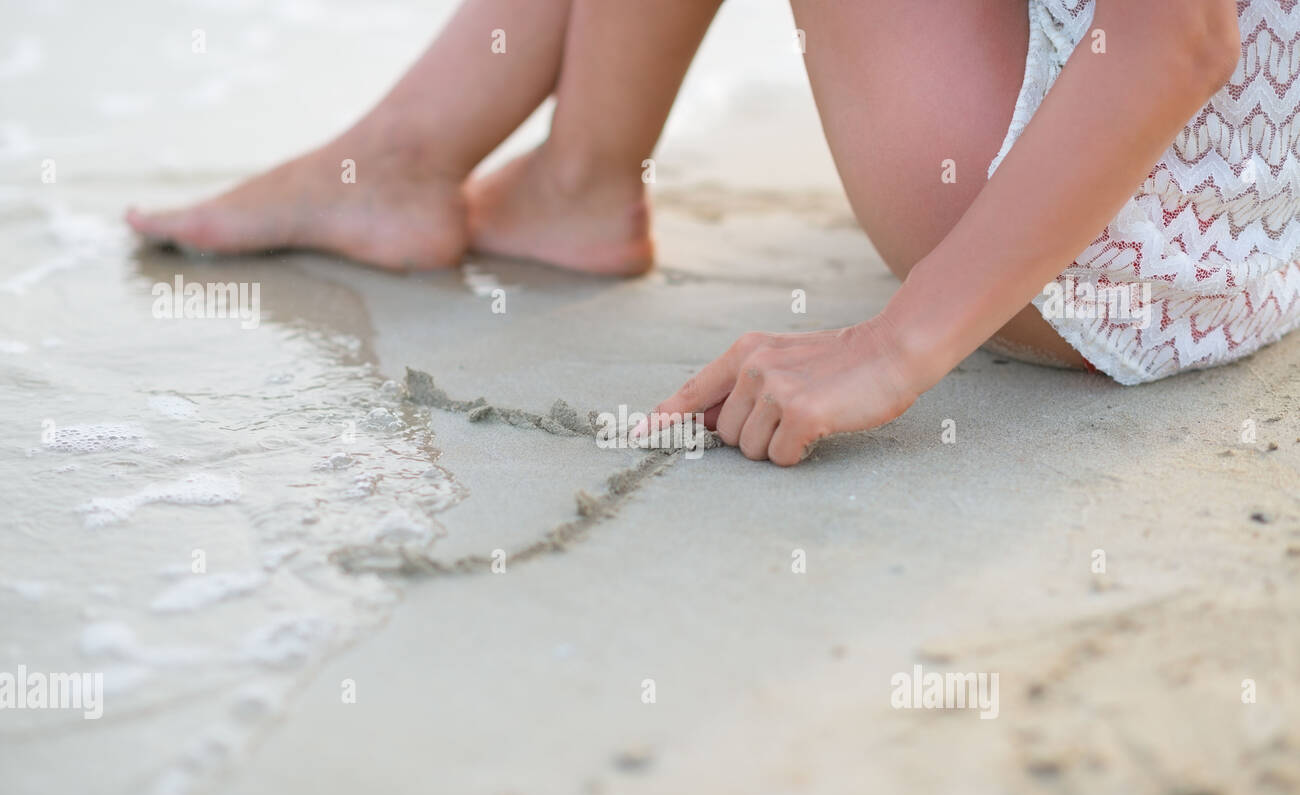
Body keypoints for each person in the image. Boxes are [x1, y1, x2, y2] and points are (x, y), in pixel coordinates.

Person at [131, 1, 1298, 466]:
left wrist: (891, 348)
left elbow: (1179, 41)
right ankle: (499, 173)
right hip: (1221, 201)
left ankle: (546, 182)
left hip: (1134, 249)